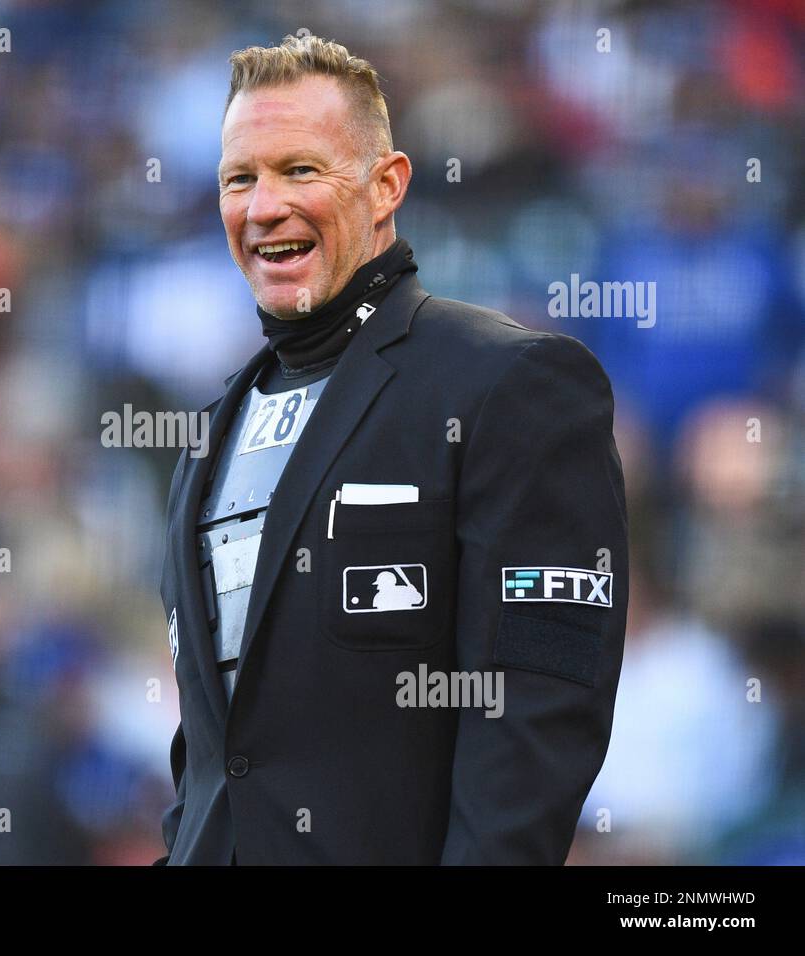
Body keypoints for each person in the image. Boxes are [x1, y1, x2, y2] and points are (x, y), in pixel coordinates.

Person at [155, 35, 629, 865]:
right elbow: (208, 757)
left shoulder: (510, 383)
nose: (264, 206)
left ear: (386, 187)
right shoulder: (209, 432)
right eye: (241, 178)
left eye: (300, 170)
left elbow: (540, 708)